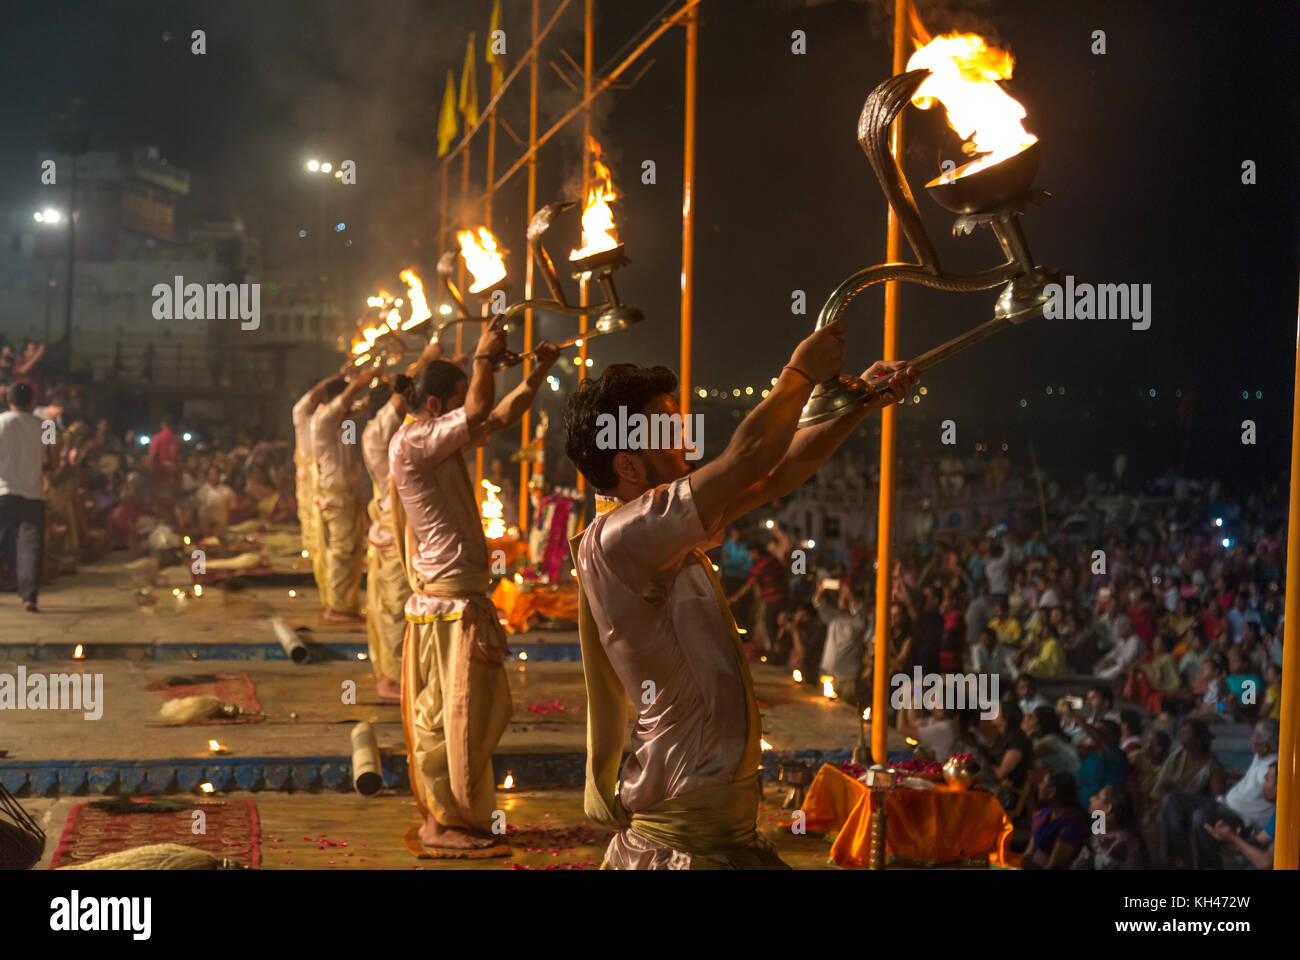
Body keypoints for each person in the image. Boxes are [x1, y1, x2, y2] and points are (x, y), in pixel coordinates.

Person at [563, 318, 915, 868]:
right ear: (627, 464)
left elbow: (774, 474)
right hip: (684, 832)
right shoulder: (623, 535)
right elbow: (747, 456)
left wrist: (861, 403)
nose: (685, 442)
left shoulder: (657, 527)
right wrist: (800, 370)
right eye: (667, 432)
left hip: (713, 817)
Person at [390, 319, 559, 856]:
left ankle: (458, 816)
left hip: (457, 603)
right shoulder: (414, 441)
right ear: (437, 406)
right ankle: (442, 823)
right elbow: (483, 409)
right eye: (460, 402)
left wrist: (536, 376)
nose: (471, 412)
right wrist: (484, 357)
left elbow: (499, 415)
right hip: (447, 607)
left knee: (475, 716)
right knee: (447, 720)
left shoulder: (435, 440)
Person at [361, 369, 416, 702]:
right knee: (395, 609)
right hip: (392, 538)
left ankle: (393, 675)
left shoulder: (401, 440)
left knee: (393, 608)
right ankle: (392, 679)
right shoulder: (376, 437)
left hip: (395, 536)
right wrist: (423, 364)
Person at [311, 366, 380, 624]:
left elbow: (356, 408)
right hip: (336, 499)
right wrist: (367, 377)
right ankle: (338, 609)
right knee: (341, 553)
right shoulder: (324, 418)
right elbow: (349, 399)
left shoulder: (340, 422)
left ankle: (344, 605)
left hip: (344, 498)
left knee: (350, 554)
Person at [292, 367, 347, 590]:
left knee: (324, 535)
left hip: (322, 476)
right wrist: (340, 376)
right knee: (314, 531)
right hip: (309, 477)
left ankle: (325, 579)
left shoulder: (328, 418)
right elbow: (316, 395)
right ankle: (322, 578)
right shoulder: (301, 412)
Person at [0, 383, 52, 612]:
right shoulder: (46, 425)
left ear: (8, 401)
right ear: (32, 402)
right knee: (30, 547)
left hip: (3, 491)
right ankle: (29, 597)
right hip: (33, 494)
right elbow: (52, 457)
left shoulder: (1, 422)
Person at [1202, 763, 1278, 869]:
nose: (1263, 784)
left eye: (1266, 779)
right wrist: (1233, 838)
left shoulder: (1293, 817)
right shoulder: (1279, 813)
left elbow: (1266, 862)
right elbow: (1259, 841)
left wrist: (1234, 838)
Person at [814, 579, 867, 703]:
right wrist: (820, 590)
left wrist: (849, 594)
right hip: (829, 675)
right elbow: (818, 603)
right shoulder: (834, 617)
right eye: (841, 596)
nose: (842, 598)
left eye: (845, 596)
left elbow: (860, 612)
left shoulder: (858, 622)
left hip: (848, 678)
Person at [1023, 771, 1088, 869]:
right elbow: (1029, 852)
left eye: (1043, 783)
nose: (1039, 786)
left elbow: (1054, 866)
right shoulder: (1042, 814)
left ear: (1052, 792)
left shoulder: (1071, 824)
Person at [194, 466, 236, 535]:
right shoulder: (201, 491)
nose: (213, 477)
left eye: (215, 474)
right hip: (204, 529)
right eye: (210, 475)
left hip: (221, 529)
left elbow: (232, 510)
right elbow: (195, 509)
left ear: (219, 475)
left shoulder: (228, 491)